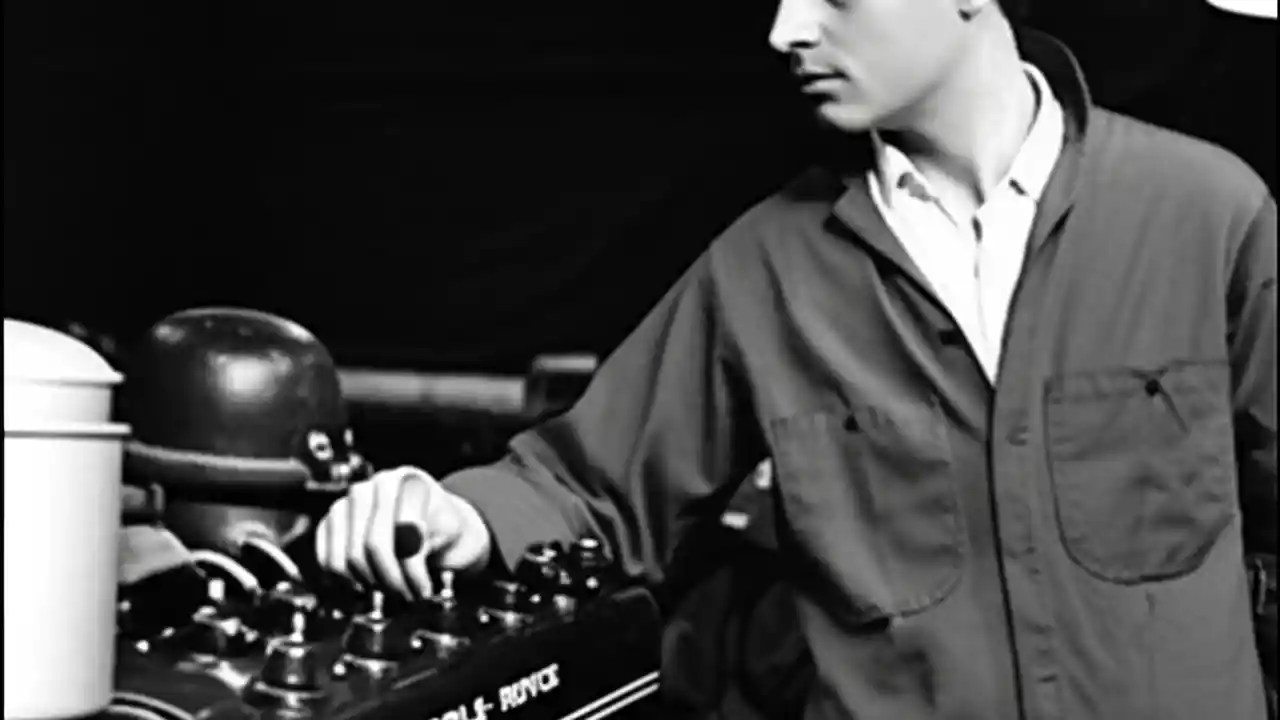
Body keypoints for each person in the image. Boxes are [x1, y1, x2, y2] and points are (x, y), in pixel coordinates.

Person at [316, 0, 1277, 717]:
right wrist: (449, 513)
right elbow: (590, 491)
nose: (784, 27)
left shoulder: (1206, 215)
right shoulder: (767, 270)